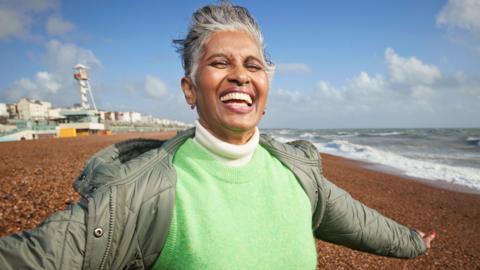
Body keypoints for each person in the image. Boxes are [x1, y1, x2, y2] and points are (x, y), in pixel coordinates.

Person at [0, 1, 435, 269]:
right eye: (220, 63)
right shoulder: (141, 192)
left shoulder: (297, 173)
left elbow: (358, 221)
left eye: (254, 64)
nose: (240, 76)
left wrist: (412, 242)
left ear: (266, 87)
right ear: (189, 90)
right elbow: (37, 257)